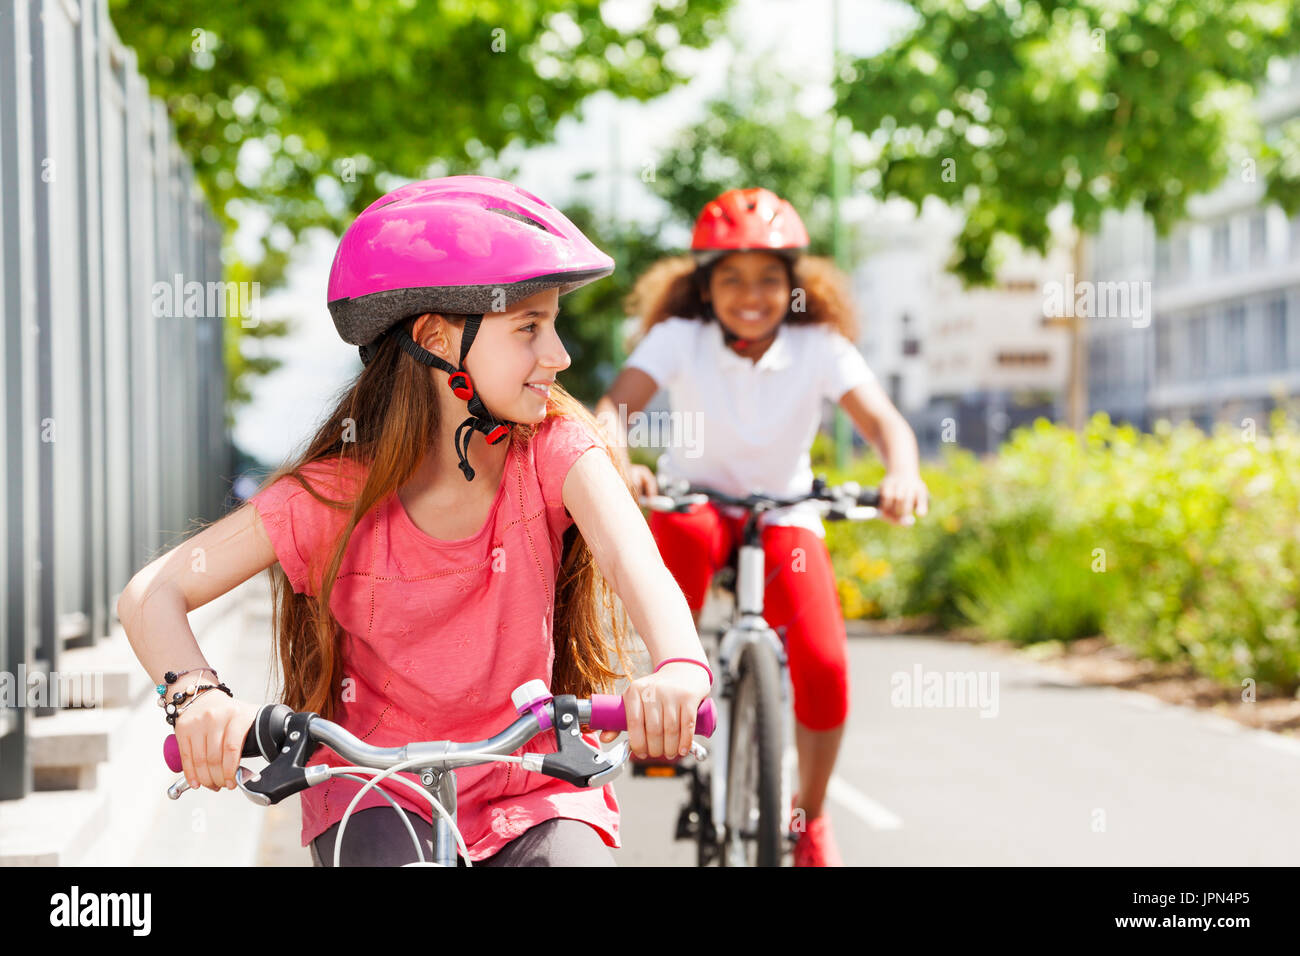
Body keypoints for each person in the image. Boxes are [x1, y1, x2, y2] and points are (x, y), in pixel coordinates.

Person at [116, 176, 713, 866]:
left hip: (537, 789)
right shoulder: (330, 497)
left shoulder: (555, 450)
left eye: (551, 325)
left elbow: (636, 564)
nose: (559, 355)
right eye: (528, 328)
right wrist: (196, 700)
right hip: (374, 791)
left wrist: (678, 667)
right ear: (435, 337)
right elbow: (150, 594)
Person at [595, 187, 929, 867]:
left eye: (769, 279)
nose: (752, 294)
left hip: (786, 511)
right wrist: (618, 461)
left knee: (826, 666)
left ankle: (810, 817)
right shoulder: (679, 338)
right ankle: (672, 689)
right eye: (733, 278)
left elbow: (884, 424)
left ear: (794, 286)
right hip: (698, 503)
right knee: (683, 530)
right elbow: (613, 411)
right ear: (705, 285)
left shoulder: (820, 344)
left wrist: (903, 472)